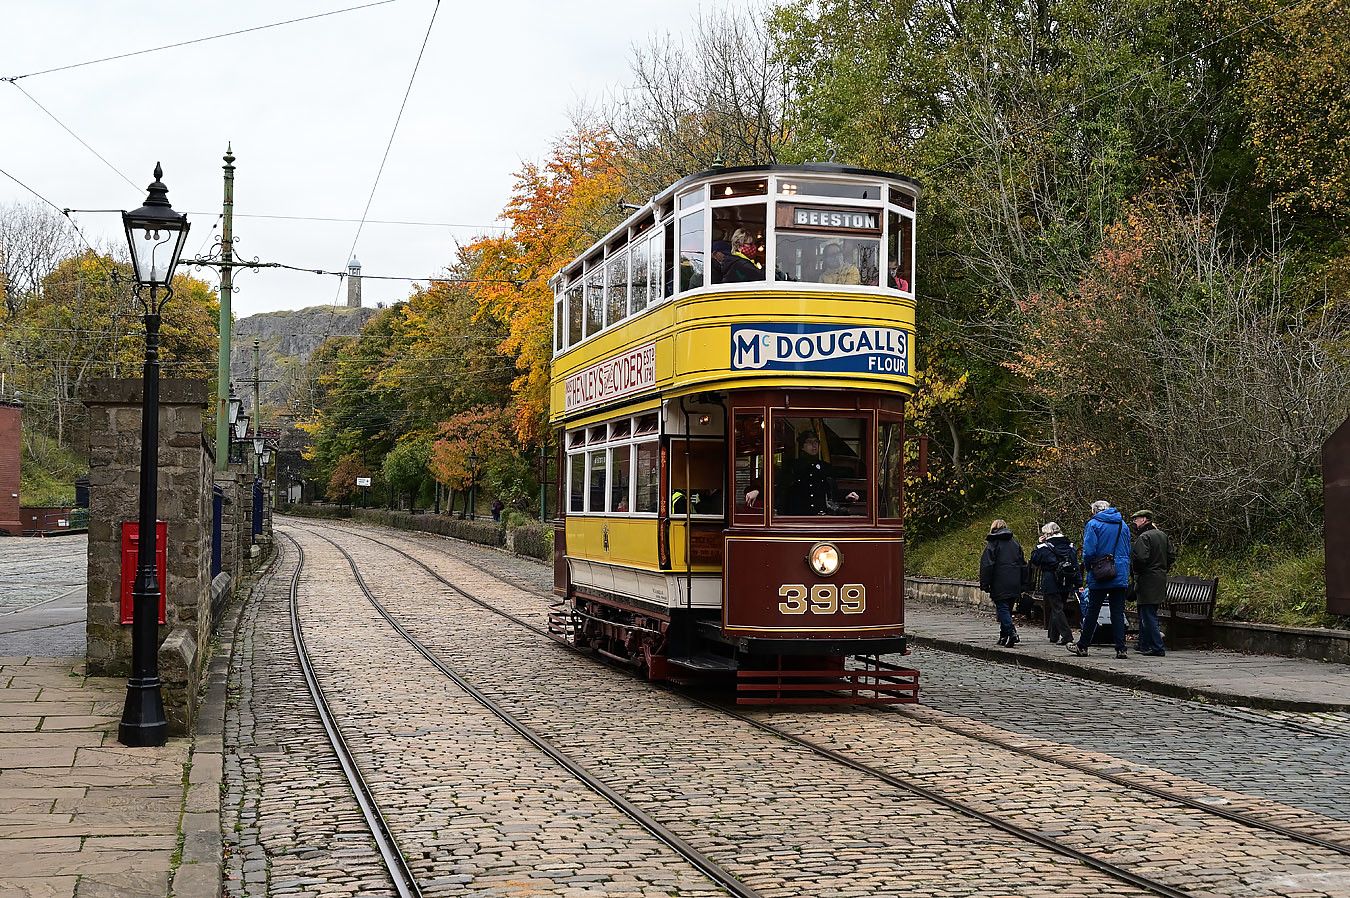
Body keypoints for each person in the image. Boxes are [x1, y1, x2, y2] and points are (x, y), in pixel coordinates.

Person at [1069, 500, 1132, 659]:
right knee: (1117, 612)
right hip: (1120, 572)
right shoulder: (1122, 524)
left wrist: (1089, 567)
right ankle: (1121, 648)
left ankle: (1083, 645)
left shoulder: (1094, 524)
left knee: (1092, 611)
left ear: (1095, 511)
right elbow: (1127, 549)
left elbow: (1089, 551)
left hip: (1101, 572)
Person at [777, 430, 860, 515]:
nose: (814, 445)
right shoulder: (793, 467)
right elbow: (783, 493)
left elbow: (831, 491)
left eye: (816, 442)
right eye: (810, 442)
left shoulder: (825, 467)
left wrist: (846, 496)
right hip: (798, 515)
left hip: (820, 516)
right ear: (802, 446)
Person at [1130, 509, 1176, 656]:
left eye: (1136, 520)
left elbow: (1140, 559)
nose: (1134, 523)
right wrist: (1163, 567)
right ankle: (1143, 644)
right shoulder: (1162, 535)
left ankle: (1157, 646)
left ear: (1144, 520)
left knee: (1147, 613)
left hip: (1147, 578)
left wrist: (1136, 572)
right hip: (1160, 577)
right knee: (1148, 611)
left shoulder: (1144, 537)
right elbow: (1171, 555)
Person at [1031, 522, 1080, 646]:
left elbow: (1035, 560)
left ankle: (1067, 636)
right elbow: (1075, 564)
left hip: (1051, 580)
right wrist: (1078, 583)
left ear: (1047, 533)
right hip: (1066, 580)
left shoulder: (1044, 547)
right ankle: (1053, 635)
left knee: (1057, 608)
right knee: (1058, 607)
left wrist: (1039, 544)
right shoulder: (1069, 545)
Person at [980, 519, 1027, 647]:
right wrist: (1023, 582)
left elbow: (987, 565)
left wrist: (985, 583)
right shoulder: (1015, 544)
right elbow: (1023, 564)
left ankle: (1011, 632)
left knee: (1002, 608)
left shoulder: (992, 544)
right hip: (1014, 581)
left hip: (999, 581)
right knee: (1007, 609)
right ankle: (1003, 635)